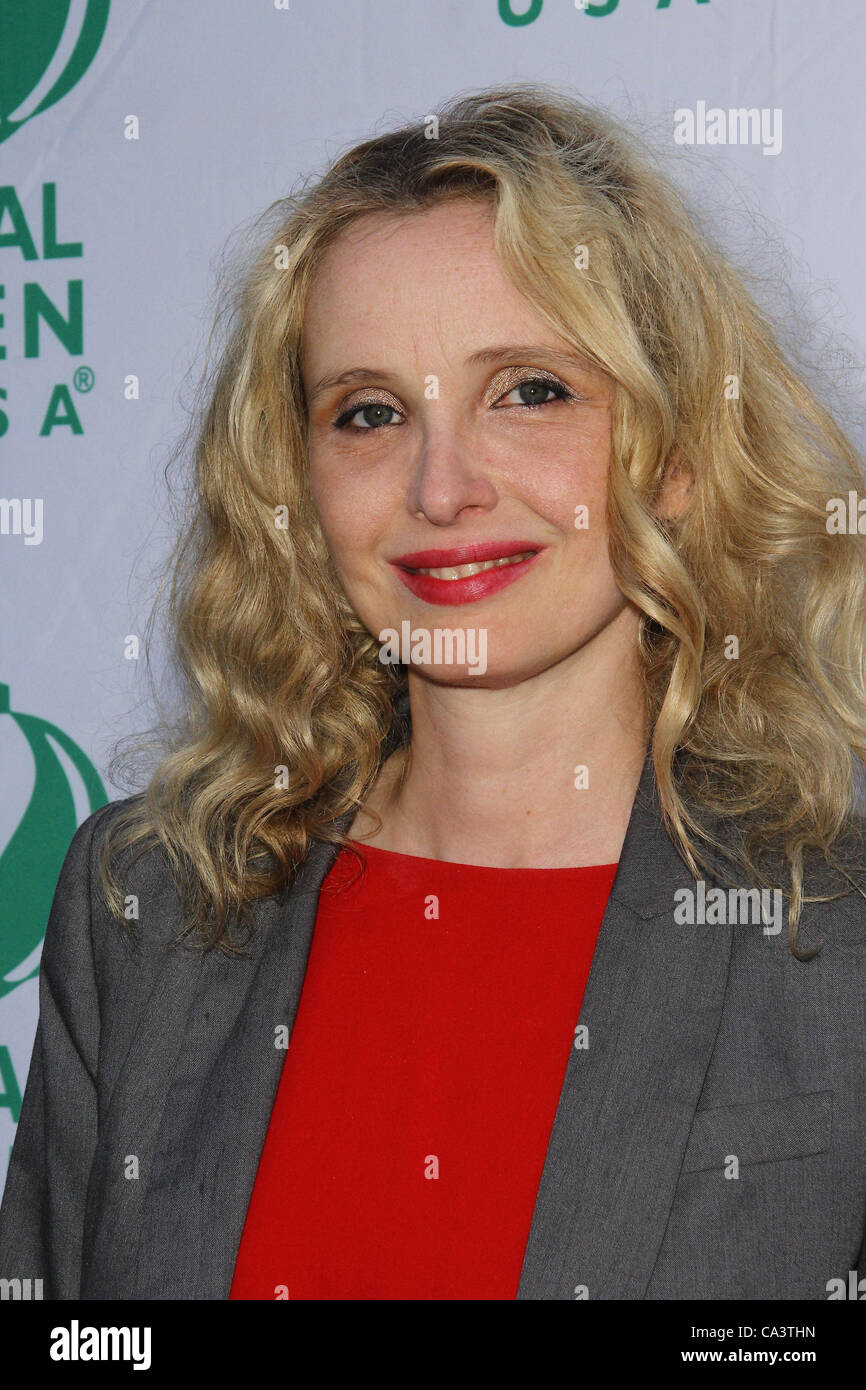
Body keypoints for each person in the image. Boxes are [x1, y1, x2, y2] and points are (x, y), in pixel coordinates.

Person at [1, 82, 865, 1302]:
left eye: (527, 390)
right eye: (368, 413)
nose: (440, 486)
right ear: (298, 486)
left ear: (671, 454)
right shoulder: (146, 903)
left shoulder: (836, 932)